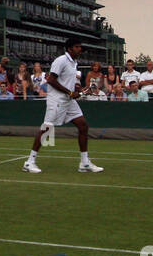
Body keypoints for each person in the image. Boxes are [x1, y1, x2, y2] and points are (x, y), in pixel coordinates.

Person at [24, 37, 103, 174]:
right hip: (57, 100)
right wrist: (70, 92)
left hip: (68, 100)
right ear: (69, 48)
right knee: (47, 129)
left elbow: (67, 81)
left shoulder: (74, 62)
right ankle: (29, 162)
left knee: (83, 125)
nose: (80, 50)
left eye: (80, 47)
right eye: (77, 47)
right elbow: (51, 80)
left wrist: (76, 89)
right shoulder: (60, 61)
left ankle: (84, 163)